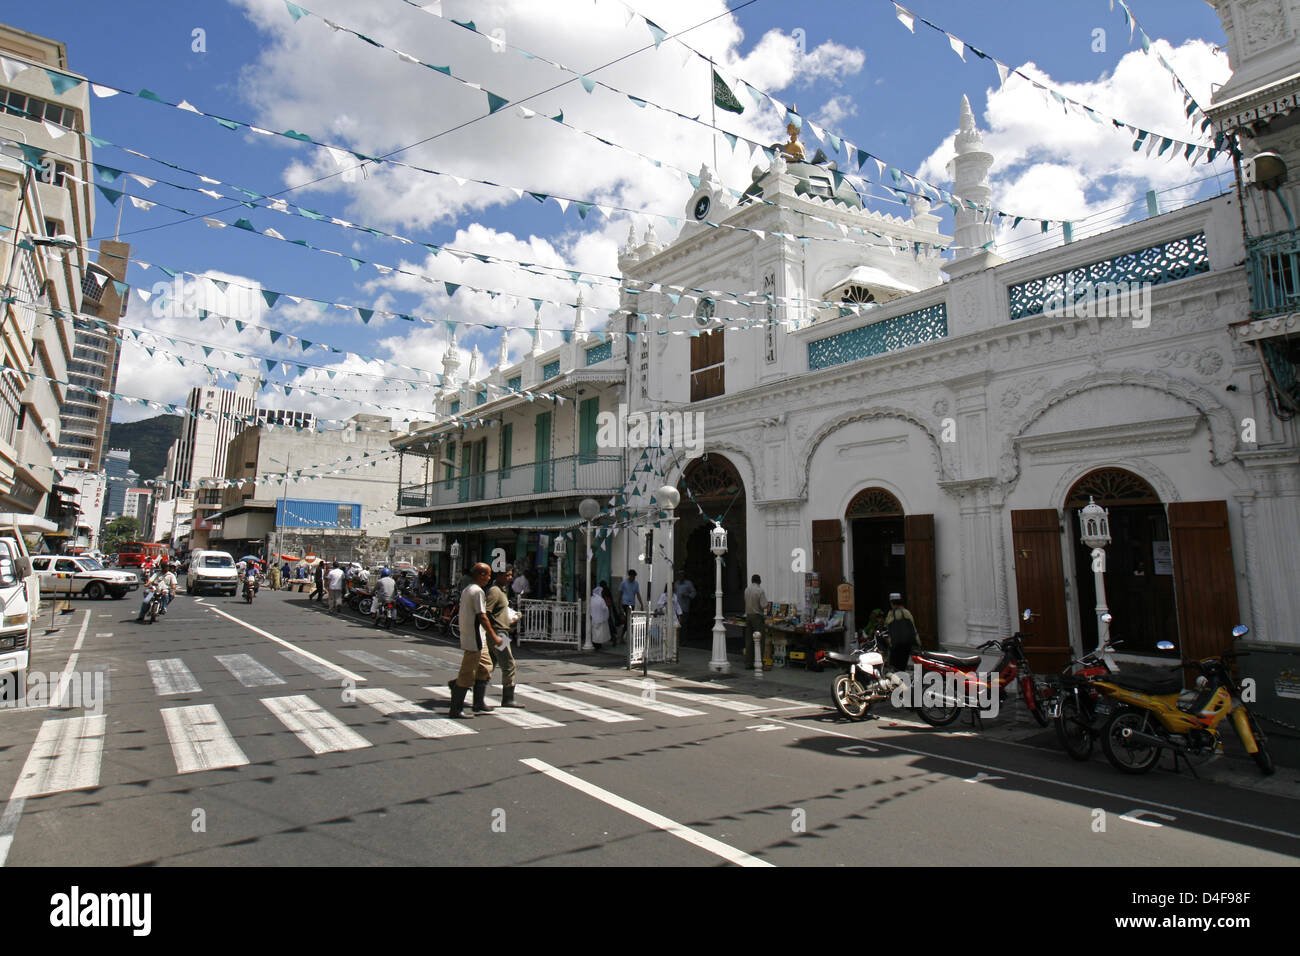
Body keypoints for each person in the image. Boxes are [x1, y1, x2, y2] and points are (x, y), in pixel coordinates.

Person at [448, 563, 502, 719]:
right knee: (467, 673)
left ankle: (478, 703)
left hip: (478, 635)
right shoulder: (477, 591)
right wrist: (494, 636)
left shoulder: (469, 589)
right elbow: (482, 616)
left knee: (486, 667)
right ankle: (456, 708)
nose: (489, 578)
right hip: (474, 637)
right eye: (488, 575)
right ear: (480, 575)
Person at [485, 569, 524, 707]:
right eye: (507, 575)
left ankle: (462, 684)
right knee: (509, 664)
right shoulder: (495, 591)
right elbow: (486, 613)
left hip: (502, 631)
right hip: (498, 633)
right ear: (499, 576)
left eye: (511, 575)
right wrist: (492, 634)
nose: (510, 577)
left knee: (490, 664)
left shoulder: (502, 590)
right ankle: (508, 698)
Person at [884, 592, 920, 670]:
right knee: (902, 665)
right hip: (906, 645)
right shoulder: (907, 613)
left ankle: (896, 680)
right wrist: (917, 643)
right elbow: (913, 628)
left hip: (895, 645)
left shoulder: (891, 614)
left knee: (894, 666)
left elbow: (886, 629)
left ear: (891, 603)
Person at [744, 574, 769, 668]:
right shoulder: (760, 590)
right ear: (759, 581)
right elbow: (763, 604)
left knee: (749, 640)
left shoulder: (746, 589)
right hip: (757, 616)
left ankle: (748, 663)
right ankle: (759, 662)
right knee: (760, 640)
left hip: (748, 616)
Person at [618, 570, 643, 643]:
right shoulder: (624, 583)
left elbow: (638, 594)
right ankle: (623, 637)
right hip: (625, 603)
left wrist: (641, 603)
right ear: (629, 576)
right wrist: (619, 606)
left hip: (632, 604)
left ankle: (624, 637)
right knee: (627, 621)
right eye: (632, 576)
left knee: (630, 621)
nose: (633, 578)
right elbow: (620, 594)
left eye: (634, 577)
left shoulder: (636, 584)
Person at [589, 583, 611, 650]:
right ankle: (599, 644)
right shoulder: (601, 600)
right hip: (600, 618)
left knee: (595, 632)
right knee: (600, 633)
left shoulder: (591, 598)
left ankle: (594, 643)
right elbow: (604, 608)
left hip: (593, 618)